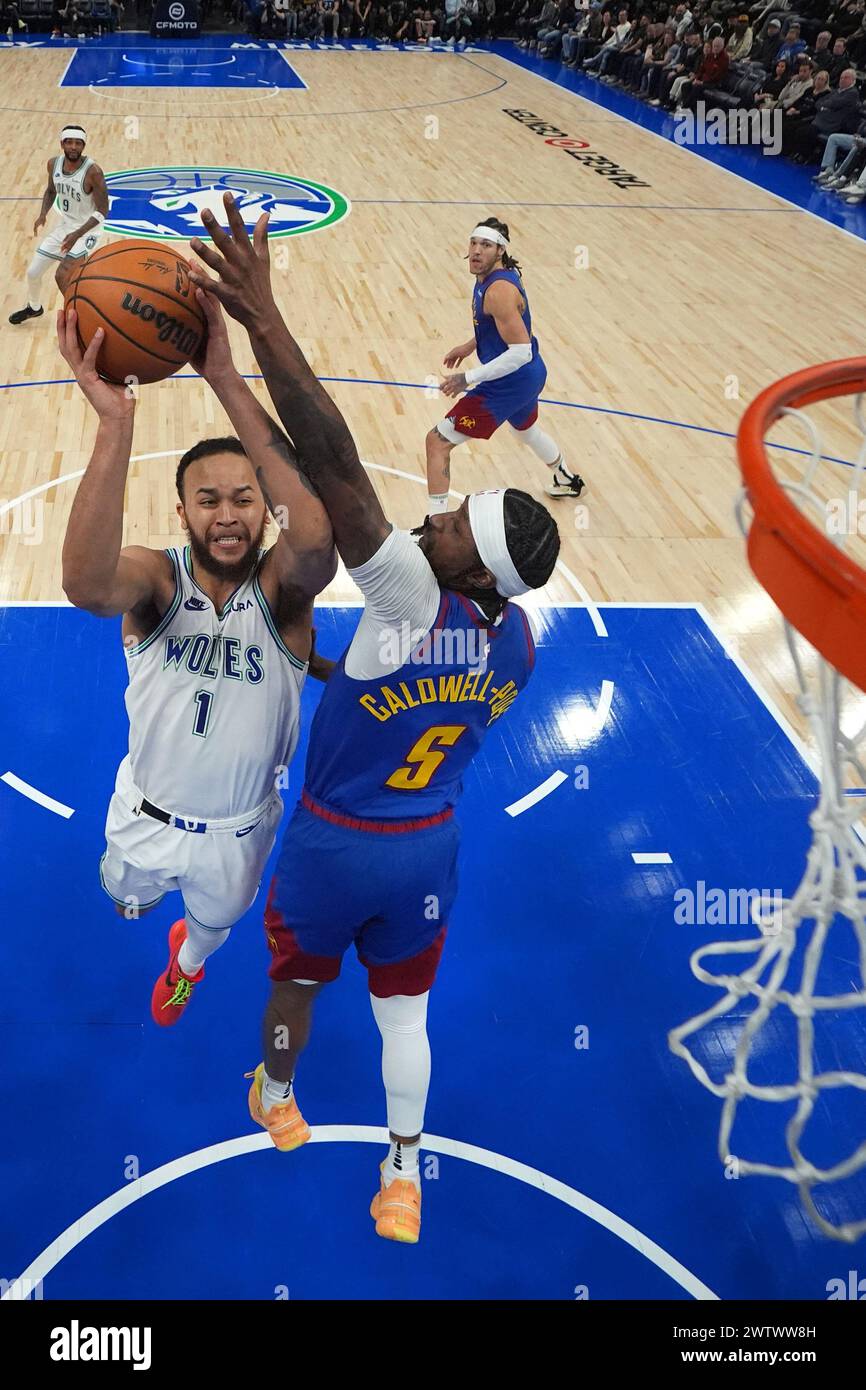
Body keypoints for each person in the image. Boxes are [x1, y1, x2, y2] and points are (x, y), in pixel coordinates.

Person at [187, 193, 561, 1245]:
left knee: (294, 985)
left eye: (448, 524)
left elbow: (333, 454)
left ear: (461, 563)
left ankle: (272, 1091)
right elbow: (398, 688)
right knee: (408, 1017)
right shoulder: (514, 644)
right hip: (428, 852)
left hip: (335, 844)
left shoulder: (406, 594)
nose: (432, 516)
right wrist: (333, 666)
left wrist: (259, 319)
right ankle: (402, 1176)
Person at [57, 285, 336, 1026]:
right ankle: (151, 907)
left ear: (264, 508)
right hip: (142, 816)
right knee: (124, 900)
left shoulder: (285, 594)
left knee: (213, 931)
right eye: (207, 500)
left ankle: (185, 965)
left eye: (244, 498)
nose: (227, 515)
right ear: (182, 511)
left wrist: (224, 377)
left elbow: (312, 538)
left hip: (239, 832)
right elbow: (85, 585)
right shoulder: (156, 580)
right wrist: (115, 426)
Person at [425, 217, 584, 509]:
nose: (475, 251)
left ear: (500, 250)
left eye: (485, 245)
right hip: (530, 374)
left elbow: (519, 351)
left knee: (437, 442)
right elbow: (503, 327)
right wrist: (472, 343)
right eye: (473, 243)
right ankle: (566, 478)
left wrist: (468, 378)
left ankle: (435, 526)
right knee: (525, 431)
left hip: (510, 381)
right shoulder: (495, 275)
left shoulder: (499, 291)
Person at [9, 126, 108, 327]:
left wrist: (77, 234)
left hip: (88, 230)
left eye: (78, 143)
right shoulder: (53, 164)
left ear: (83, 146)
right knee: (33, 272)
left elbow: (103, 211)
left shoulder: (93, 172)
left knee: (62, 275)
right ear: (61, 144)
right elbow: (50, 191)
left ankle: (80, 321)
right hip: (65, 226)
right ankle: (34, 307)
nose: (73, 147)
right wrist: (43, 214)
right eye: (69, 142)